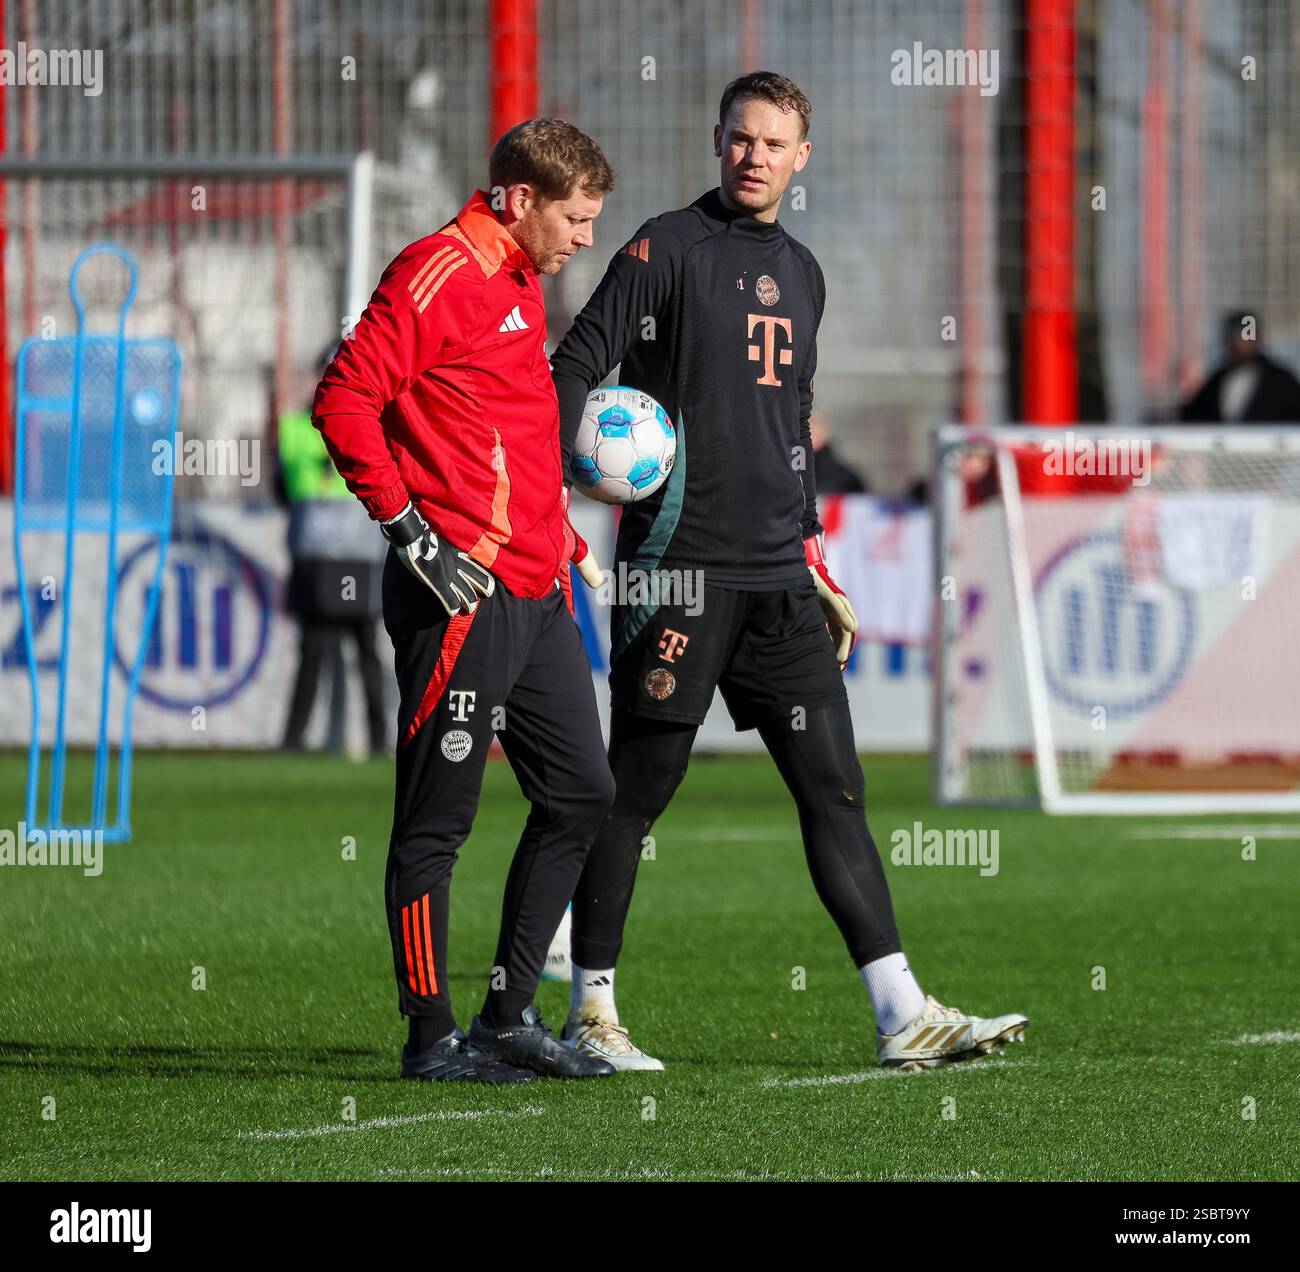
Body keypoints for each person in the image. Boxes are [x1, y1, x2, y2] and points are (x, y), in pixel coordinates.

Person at [550, 72, 1028, 1072]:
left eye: (773, 143)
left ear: (800, 157)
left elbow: (789, 433)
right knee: (637, 788)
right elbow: (575, 360)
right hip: (676, 571)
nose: (753, 156)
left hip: (777, 580)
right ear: (716, 140)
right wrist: (573, 470)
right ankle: (588, 1012)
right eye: (738, 138)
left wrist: (813, 553)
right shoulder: (664, 248)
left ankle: (900, 1012)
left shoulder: (806, 274)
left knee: (836, 789)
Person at [313, 118, 619, 1083]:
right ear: (520, 199)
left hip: (539, 590)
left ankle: (507, 1013)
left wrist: (566, 539)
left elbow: (513, 435)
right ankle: (427, 1035)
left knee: (584, 793)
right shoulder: (434, 273)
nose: (585, 238)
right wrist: (410, 532)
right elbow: (343, 401)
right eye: (575, 218)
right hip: (461, 592)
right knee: (436, 822)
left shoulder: (524, 278)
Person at [278, 358, 387, 756]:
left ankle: (376, 741)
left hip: (343, 554)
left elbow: (282, 488)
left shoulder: (297, 428)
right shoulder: (365, 421)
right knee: (325, 652)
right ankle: (298, 741)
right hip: (334, 556)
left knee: (354, 652)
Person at [1181, 311, 1300, 423]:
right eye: (1231, 338)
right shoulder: (1218, 379)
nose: (1235, 344)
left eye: (1242, 338)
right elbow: (1196, 414)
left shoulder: (1281, 381)